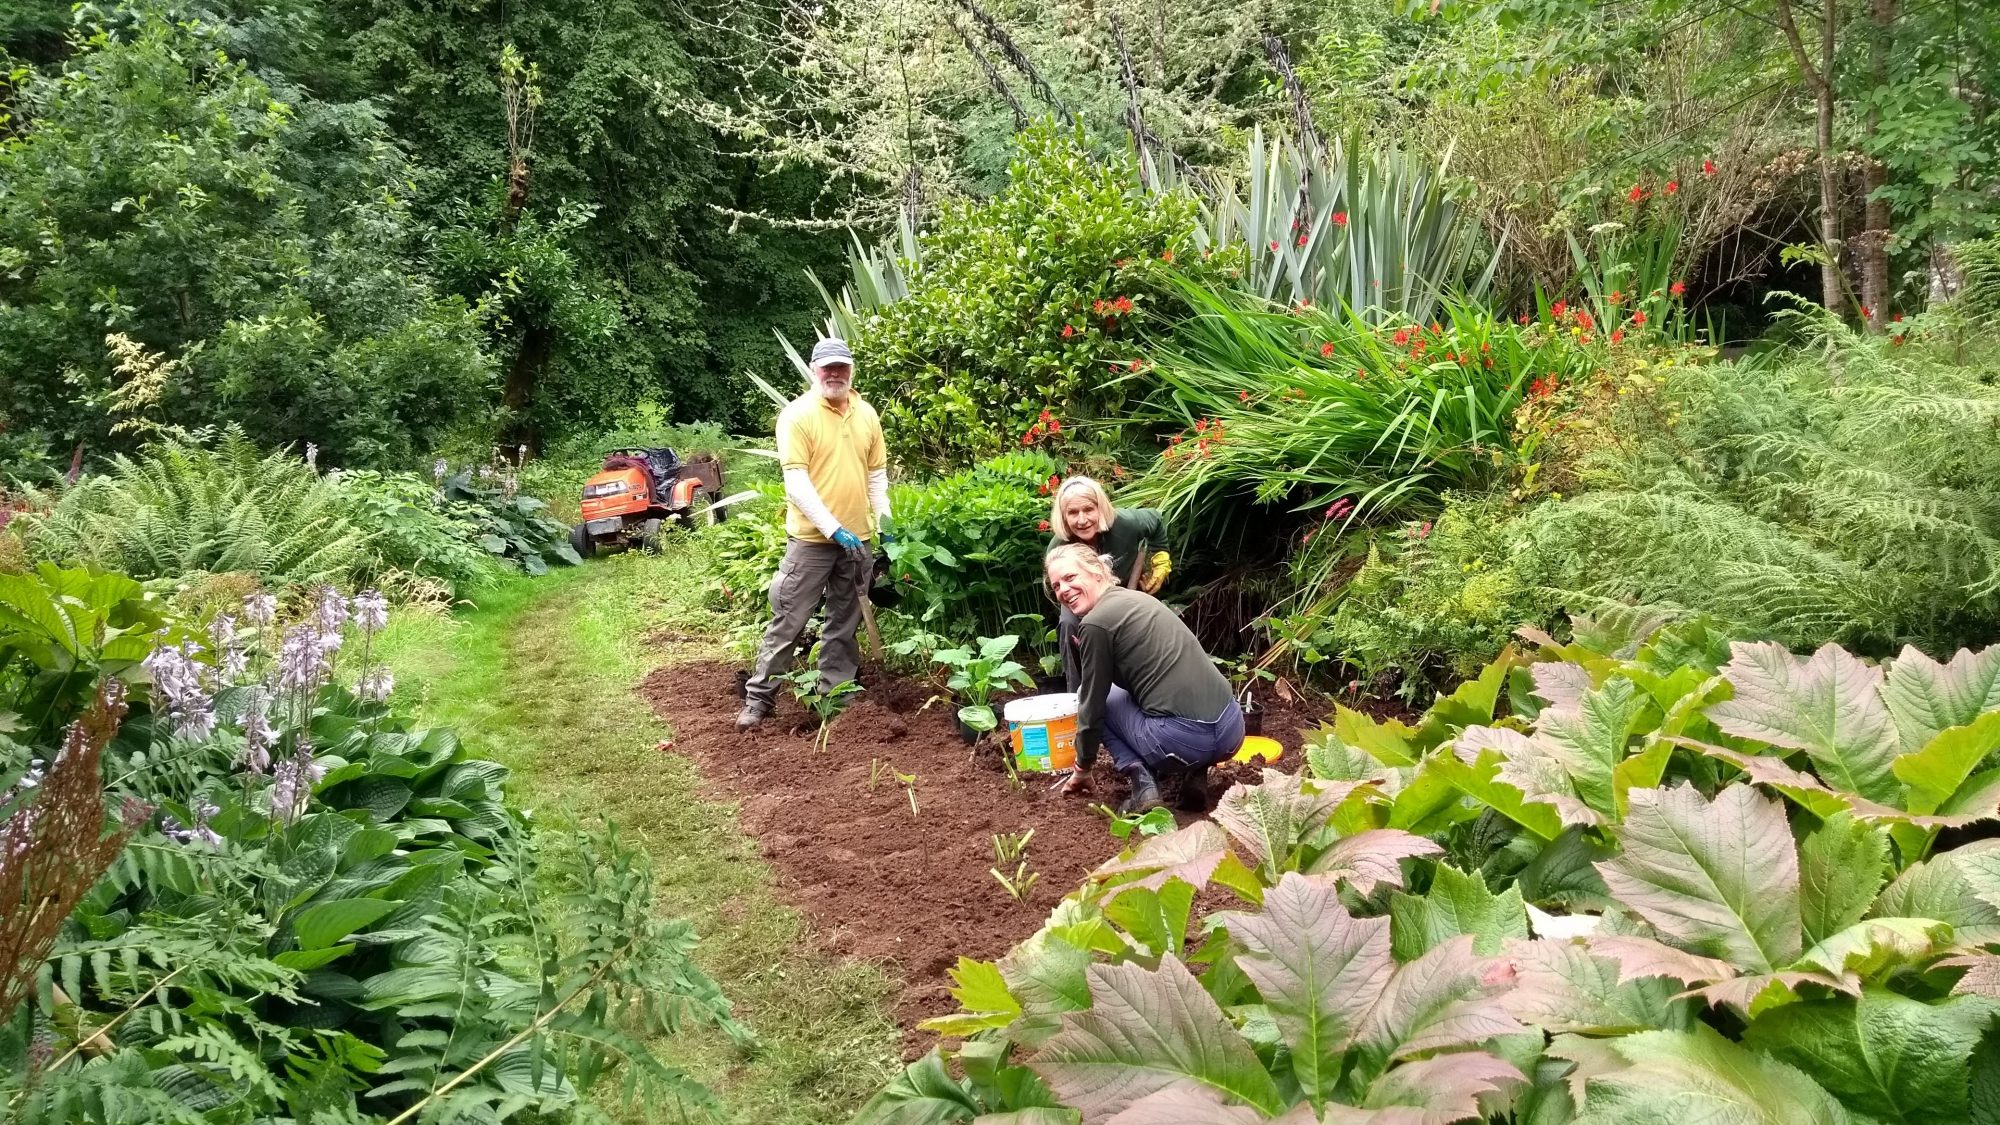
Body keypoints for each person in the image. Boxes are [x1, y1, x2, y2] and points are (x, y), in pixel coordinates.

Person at [736, 337, 890, 731]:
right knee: (790, 617)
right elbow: (796, 483)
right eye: (827, 367)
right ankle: (759, 699)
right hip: (811, 542)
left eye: (841, 367)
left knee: (845, 620)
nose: (834, 374)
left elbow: (876, 477)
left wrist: (884, 526)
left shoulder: (866, 414)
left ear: (852, 370)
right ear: (813, 370)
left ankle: (836, 692)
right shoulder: (797, 416)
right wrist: (833, 529)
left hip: (858, 539)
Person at [1045, 542, 1243, 814]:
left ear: (1098, 572)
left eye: (1070, 577)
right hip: (1232, 730)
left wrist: (1083, 767)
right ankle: (1196, 775)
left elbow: (1092, 706)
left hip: (1183, 743)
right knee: (1141, 694)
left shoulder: (1095, 624)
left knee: (1092, 697)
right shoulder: (1140, 600)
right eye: (1056, 586)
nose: (1063, 590)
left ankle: (1142, 784)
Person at [1046, 476, 1168, 691]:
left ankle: (1144, 688)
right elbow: (1056, 590)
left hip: (1123, 595)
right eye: (1073, 513)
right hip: (1081, 600)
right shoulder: (1058, 549)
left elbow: (1157, 520)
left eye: (1088, 509)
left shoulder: (1126, 524)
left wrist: (1161, 557)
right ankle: (1077, 696)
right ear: (1063, 517)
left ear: (1100, 508)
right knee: (1068, 624)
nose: (1082, 520)